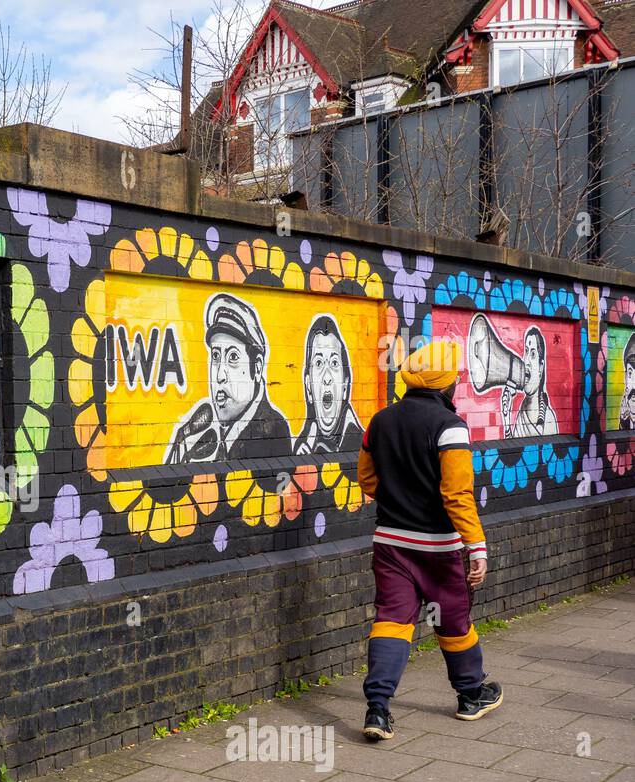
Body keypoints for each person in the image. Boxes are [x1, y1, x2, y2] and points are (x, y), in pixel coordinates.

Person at [356, 346, 502, 741]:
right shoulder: (449, 424)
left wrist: (398, 499)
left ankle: (378, 708)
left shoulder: (380, 421)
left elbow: (367, 480)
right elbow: (457, 494)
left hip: (390, 543)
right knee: (451, 619)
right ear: (445, 382)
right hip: (438, 549)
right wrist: (477, 546)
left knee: (392, 620)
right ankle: (471, 694)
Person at [165, 293, 291, 462]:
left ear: (258, 367)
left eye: (233, 357)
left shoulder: (272, 430)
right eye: (216, 357)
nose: (219, 376)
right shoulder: (214, 436)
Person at [293, 315, 364, 455]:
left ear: (345, 384)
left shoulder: (363, 446)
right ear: (308, 388)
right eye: (318, 363)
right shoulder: (304, 448)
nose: (327, 377)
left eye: (334, 363)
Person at [509, 326, 558, 438]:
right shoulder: (523, 410)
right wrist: (506, 416)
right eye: (526, 352)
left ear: (541, 367)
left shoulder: (548, 419)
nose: (526, 361)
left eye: (532, 354)